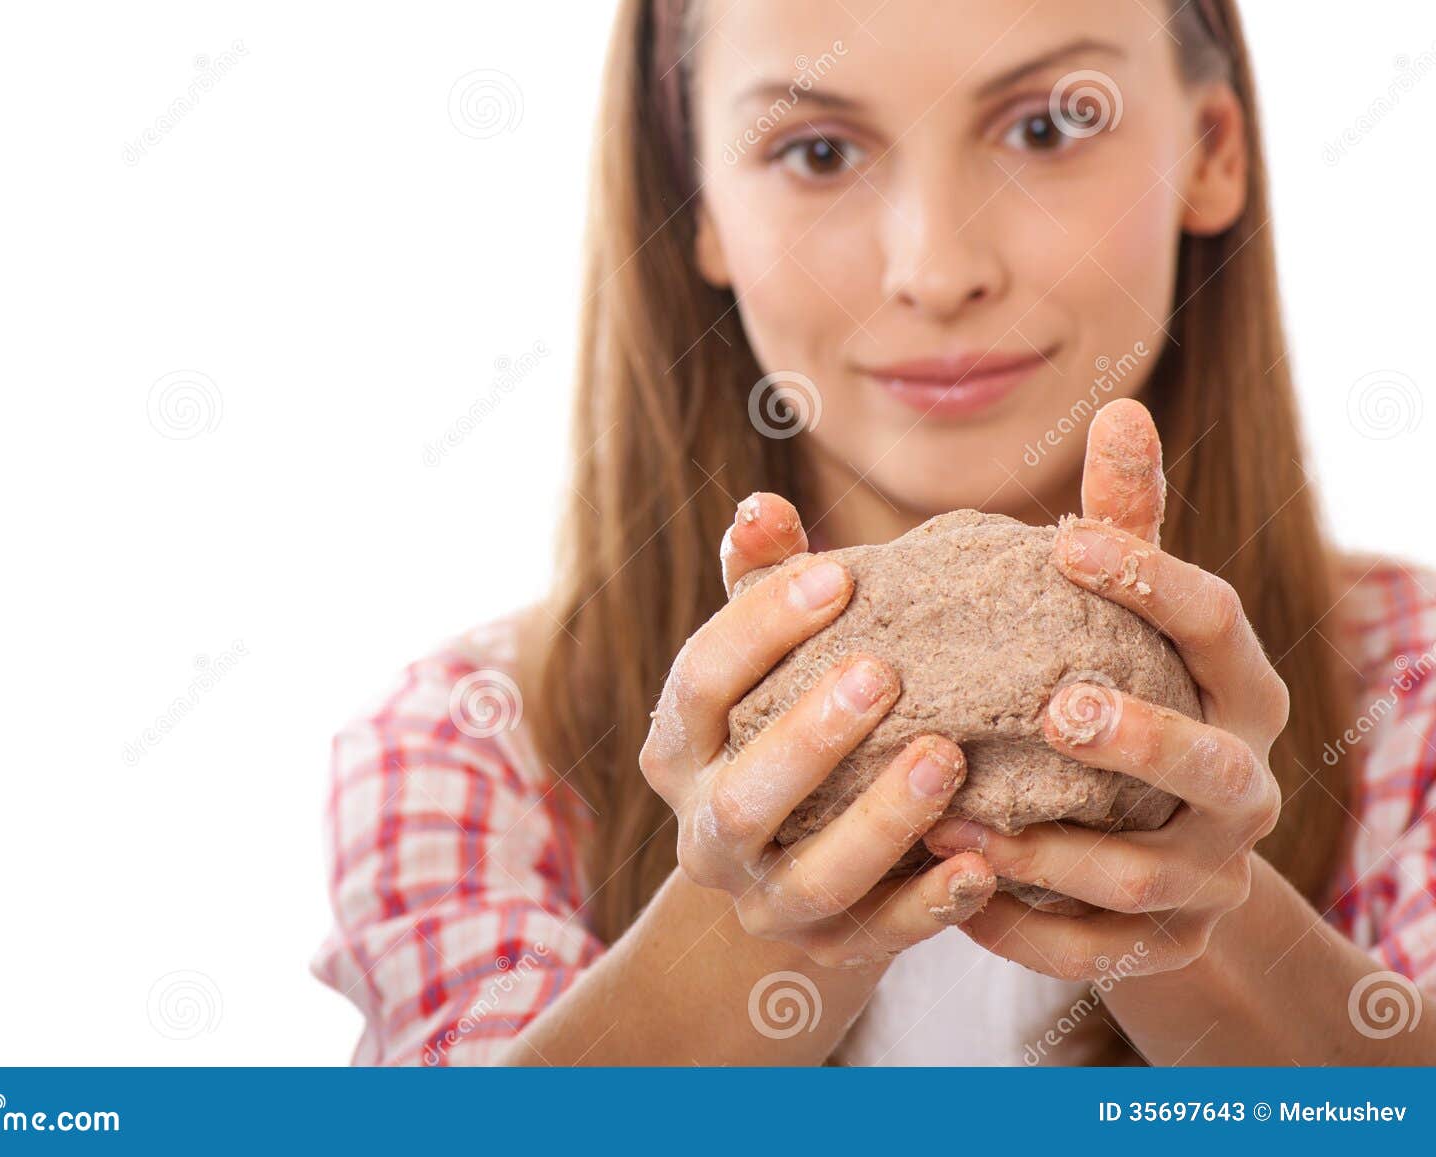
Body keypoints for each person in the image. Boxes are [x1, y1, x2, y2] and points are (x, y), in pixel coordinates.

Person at [312, 0, 1436, 1065]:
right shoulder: (482, 742)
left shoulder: (1409, 695)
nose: (936, 270)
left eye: (1047, 126)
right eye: (816, 151)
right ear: (696, 198)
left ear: (1209, 148)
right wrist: (764, 887)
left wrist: (1188, 892)